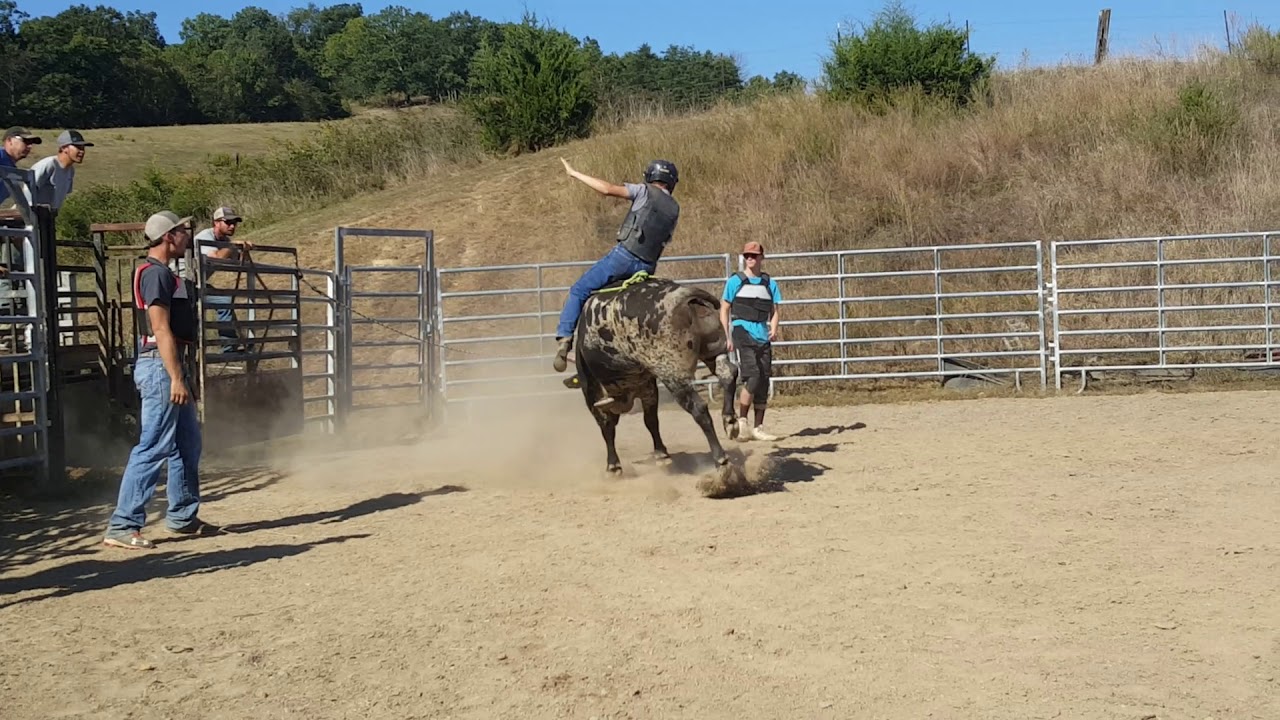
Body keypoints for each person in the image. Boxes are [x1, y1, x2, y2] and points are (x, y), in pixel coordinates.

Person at [103, 210, 220, 550]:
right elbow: (160, 329)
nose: (187, 236)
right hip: (161, 366)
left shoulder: (164, 274)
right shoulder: (155, 275)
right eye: (183, 231)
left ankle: (182, 516)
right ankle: (123, 524)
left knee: (186, 443)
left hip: (167, 365)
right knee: (153, 445)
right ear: (169, 237)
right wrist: (175, 377)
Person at [552, 157, 680, 374]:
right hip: (647, 267)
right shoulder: (675, 209)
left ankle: (565, 339)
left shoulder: (643, 191)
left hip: (623, 258)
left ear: (651, 176)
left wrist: (575, 173)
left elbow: (607, 189)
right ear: (672, 183)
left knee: (579, 290)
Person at [720, 241, 782, 441]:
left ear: (761, 258)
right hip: (742, 330)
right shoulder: (735, 281)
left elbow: (774, 311)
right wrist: (727, 335)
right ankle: (742, 420)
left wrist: (773, 328)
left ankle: (759, 427)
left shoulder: (769, 283)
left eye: (754, 255)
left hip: (762, 334)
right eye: (747, 255)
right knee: (753, 376)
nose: (750, 259)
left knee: (763, 379)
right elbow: (724, 308)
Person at [192, 206, 254, 354]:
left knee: (225, 302)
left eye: (234, 223)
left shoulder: (224, 241)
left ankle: (230, 345)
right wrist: (232, 246)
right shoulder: (205, 237)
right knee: (224, 302)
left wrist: (243, 250)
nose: (232, 226)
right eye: (228, 222)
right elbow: (217, 258)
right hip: (182, 283)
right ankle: (228, 348)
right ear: (216, 222)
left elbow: (237, 261)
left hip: (197, 282)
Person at [26, 130, 92, 213]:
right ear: (64, 148)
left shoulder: (70, 170)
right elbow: (27, 190)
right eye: (78, 147)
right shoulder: (49, 164)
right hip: (29, 216)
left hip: (48, 218)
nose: (82, 151)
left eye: (83, 148)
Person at [0, 127, 41, 206]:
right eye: (26, 141)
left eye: (31, 143)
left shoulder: (12, 168)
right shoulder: (1, 156)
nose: (30, 146)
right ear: (9, 141)